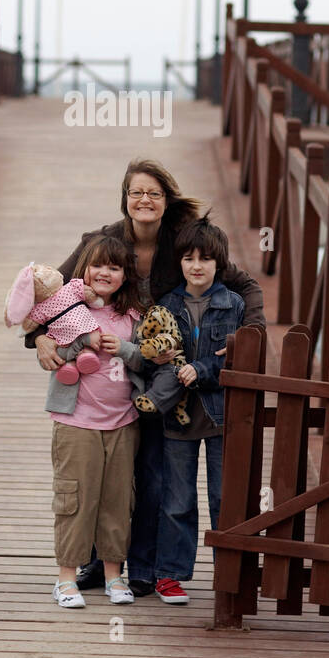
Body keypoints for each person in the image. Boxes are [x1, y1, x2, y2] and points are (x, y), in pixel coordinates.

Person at [28, 159, 264, 594]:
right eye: (136, 192)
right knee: (106, 478)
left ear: (166, 199)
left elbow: (245, 286)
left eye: (154, 193)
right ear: (125, 199)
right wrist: (42, 337)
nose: (145, 200)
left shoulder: (186, 242)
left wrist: (246, 335)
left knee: (152, 475)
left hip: (167, 375)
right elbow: (54, 291)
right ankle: (99, 566)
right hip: (113, 372)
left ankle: (142, 569)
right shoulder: (101, 242)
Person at [139, 217, 244, 603]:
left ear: (220, 264)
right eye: (188, 258)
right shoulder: (167, 305)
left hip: (220, 416)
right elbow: (152, 356)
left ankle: (227, 573)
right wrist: (159, 359)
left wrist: (201, 369)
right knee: (177, 499)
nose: (196, 266)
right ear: (179, 262)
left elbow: (237, 362)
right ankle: (170, 574)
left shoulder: (233, 305)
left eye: (205, 259)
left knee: (222, 497)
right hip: (177, 418)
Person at [45, 234, 146, 609]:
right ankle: (66, 578)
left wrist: (125, 349)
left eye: (114, 267)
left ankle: (113, 575)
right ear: (83, 269)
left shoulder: (133, 315)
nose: (105, 272)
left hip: (122, 422)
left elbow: (147, 360)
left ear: (125, 275)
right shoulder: (67, 310)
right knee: (75, 498)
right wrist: (76, 341)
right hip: (77, 421)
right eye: (98, 265)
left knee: (117, 499)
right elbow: (48, 341)